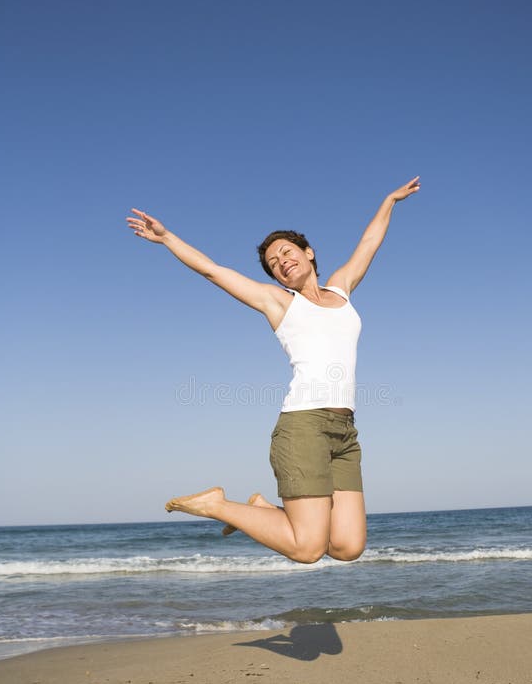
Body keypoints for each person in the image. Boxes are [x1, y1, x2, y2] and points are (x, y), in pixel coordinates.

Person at [126, 176, 420, 564]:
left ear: (309, 252)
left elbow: (369, 244)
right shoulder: (279, 303)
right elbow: (213, 271)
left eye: (286, 252)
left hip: (345, 433)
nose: (281, 263)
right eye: (273, 264)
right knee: (307, 548)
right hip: (303, 427)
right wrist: (167, 239)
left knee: (348, 546)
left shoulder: (341, 289)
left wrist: (389, 201)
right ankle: (218, 505)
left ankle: (262, 510)